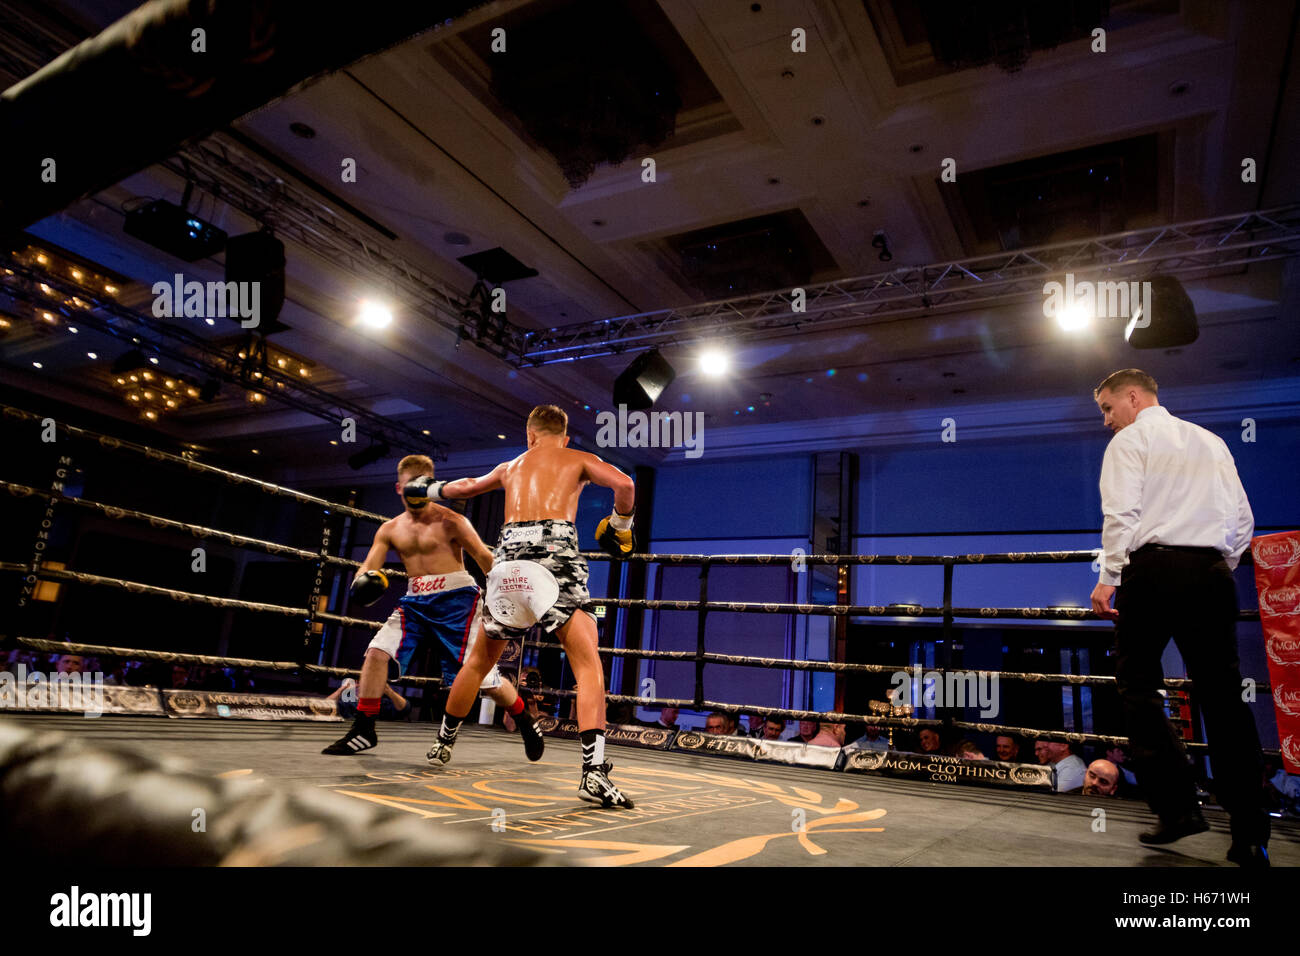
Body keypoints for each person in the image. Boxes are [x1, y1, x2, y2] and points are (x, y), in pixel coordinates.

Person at [1089, 369, 1268, 866]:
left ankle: (1178, 808)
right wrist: (1215, 566)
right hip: (1211, 574)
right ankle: (1250, 834)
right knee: (1225, 698)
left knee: (1138, 686)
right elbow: (1242, 520)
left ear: (1132, 396)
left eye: (1107, 408)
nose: (1107, 421)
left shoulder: (1129, 443)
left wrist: (1109, 577)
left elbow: (1120, 515)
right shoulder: (1210, 442)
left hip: (1152, 571)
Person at [426, 405, 637, 809]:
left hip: (506, 559)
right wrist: (621, 525)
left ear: (530, 436)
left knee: (477, 663)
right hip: (554, 554)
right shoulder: (579, 458)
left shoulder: (510, 466)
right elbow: (625, 485)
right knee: (587, 664)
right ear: (565, 437)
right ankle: (593, 774)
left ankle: (442, 743)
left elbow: (466, 487)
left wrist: (430, 489)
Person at [321, 454, 543, 759]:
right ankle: (363, 728)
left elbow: (484, 558)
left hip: (458, 602)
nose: (414, 493)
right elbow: (368, 568)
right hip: (414, 603)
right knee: (376, 653)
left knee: (481, 678)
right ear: (398, 488)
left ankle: (523, 718)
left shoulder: (452, 521)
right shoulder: (389, 529)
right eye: (408, 487)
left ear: (430, 486)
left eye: (420, 487)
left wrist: (511, 594)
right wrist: (362, 582)